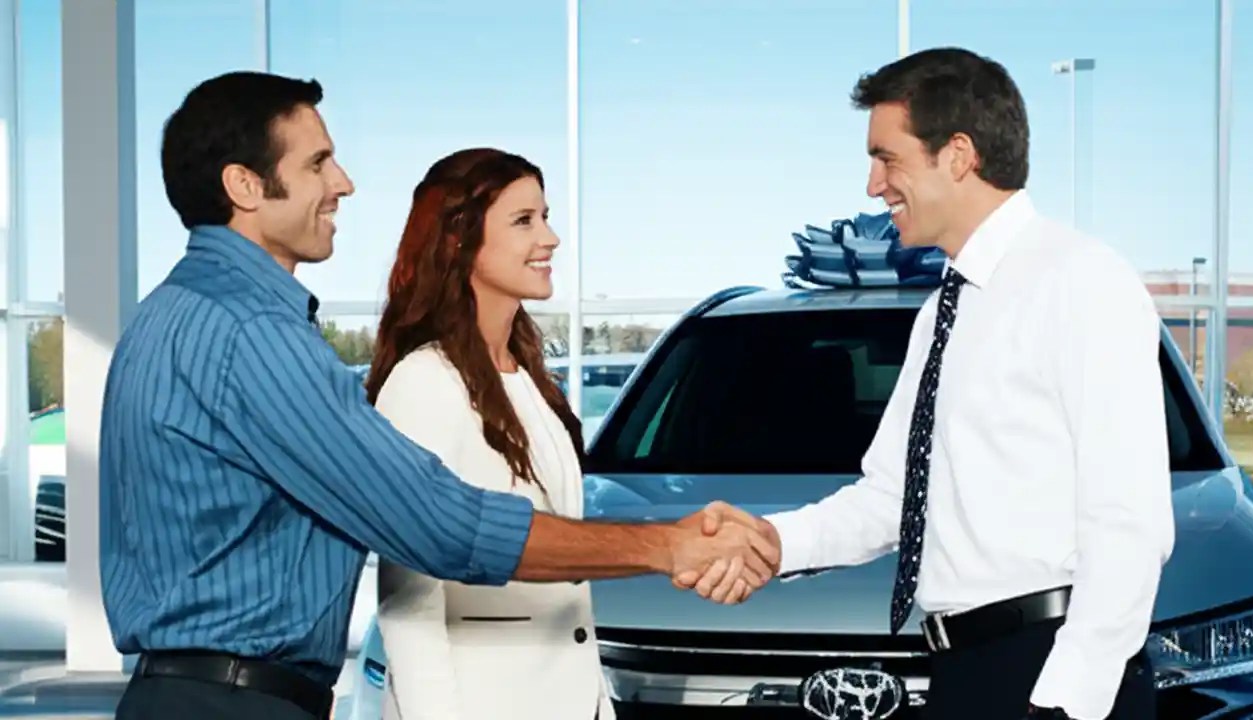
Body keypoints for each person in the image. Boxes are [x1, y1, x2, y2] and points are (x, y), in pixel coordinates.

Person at [99, 71, 777, 720]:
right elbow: (435, 525)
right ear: (245, 185)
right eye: (317, 164)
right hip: (230, 703)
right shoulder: (249, 333)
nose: (344, 183)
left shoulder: (181, 313)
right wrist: (665, 547)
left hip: (216, 694)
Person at [688, 48, 1173, 720]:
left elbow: (1128, 519)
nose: (872, 185)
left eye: (887, 157)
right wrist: (775, 545)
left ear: (957, 155)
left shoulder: (1082, 280)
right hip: (964, 672)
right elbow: (895, 495)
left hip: (1048, 674)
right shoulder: (944, 311)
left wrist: (1068, 701)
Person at [365, 148, 613, 720]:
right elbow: (409, 601)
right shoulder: (423, 382)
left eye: (545, 216)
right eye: (524, 221)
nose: (549, 238)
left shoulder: (527, 380)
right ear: (459, 239)